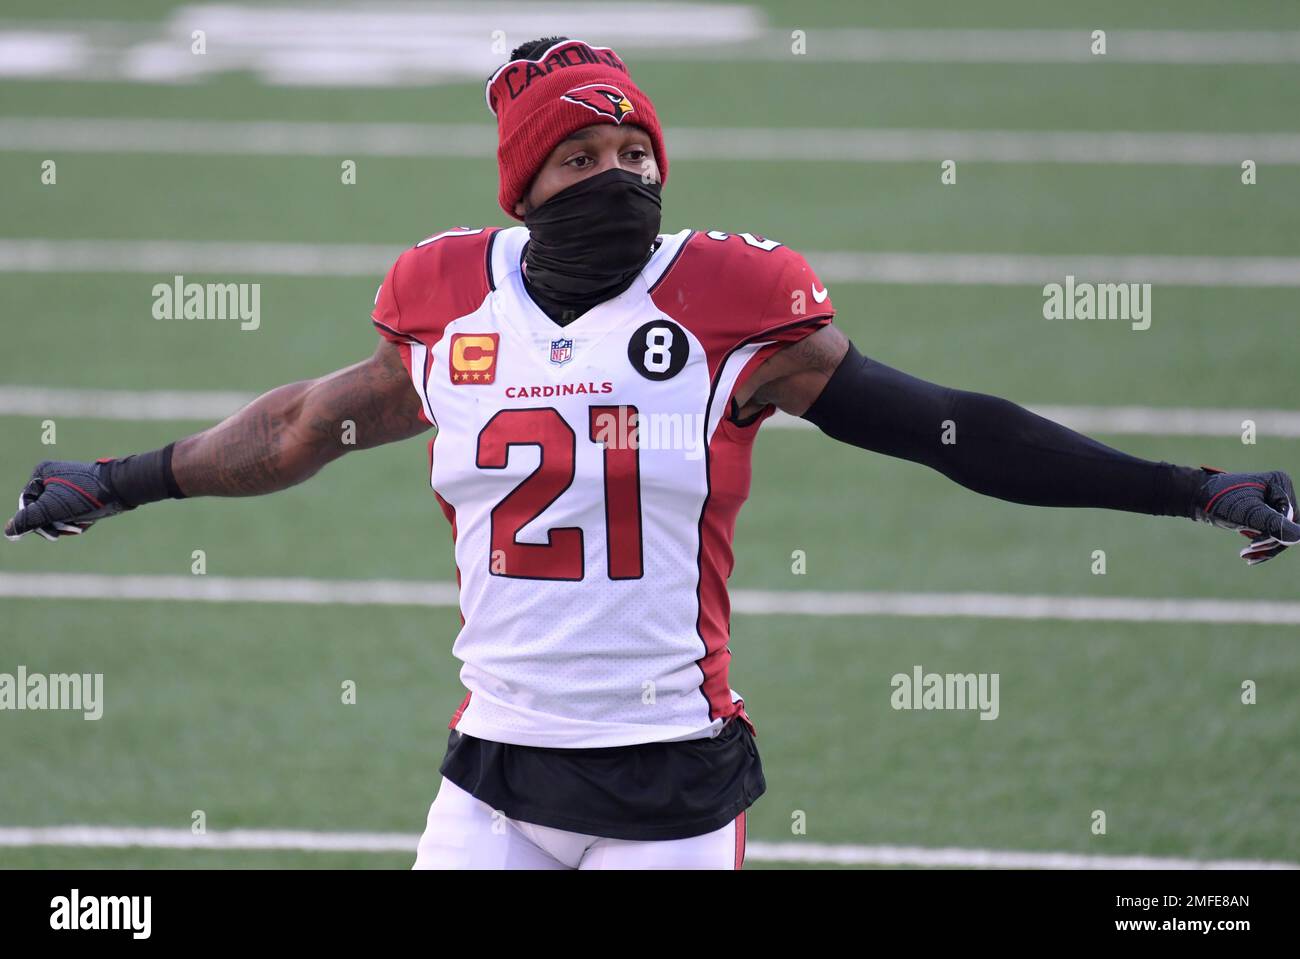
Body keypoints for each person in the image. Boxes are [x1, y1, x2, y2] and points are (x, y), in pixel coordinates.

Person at [7, 37, 1297, 870]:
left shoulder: (734, 310)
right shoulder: (455, 305)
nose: (619, 174)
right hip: (494, 772)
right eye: (581, 156)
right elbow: (295, 431)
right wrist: (117, 480)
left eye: (637, 153)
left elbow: (959, 432)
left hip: (670, 783)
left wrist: (1185, 492)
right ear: (525, 184)